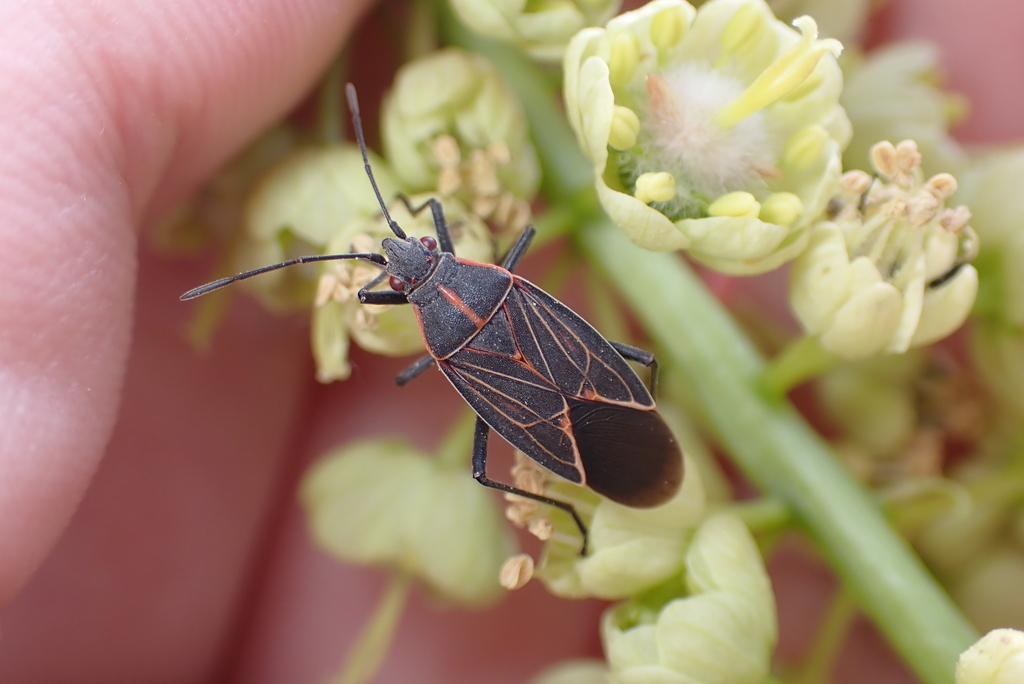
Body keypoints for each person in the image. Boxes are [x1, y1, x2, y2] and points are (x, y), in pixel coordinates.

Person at [0, 0, 1019, 681]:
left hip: (528, 392)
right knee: (603, 387)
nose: (405, 259)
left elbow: (436, 339)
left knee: (493, 465)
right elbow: (500, 263)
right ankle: (597, 471)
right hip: (561, 358)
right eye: (404, 265)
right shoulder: (484, 288)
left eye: (409, 254)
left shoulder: (437, 344)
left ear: (433, 263)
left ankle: (574, 498)